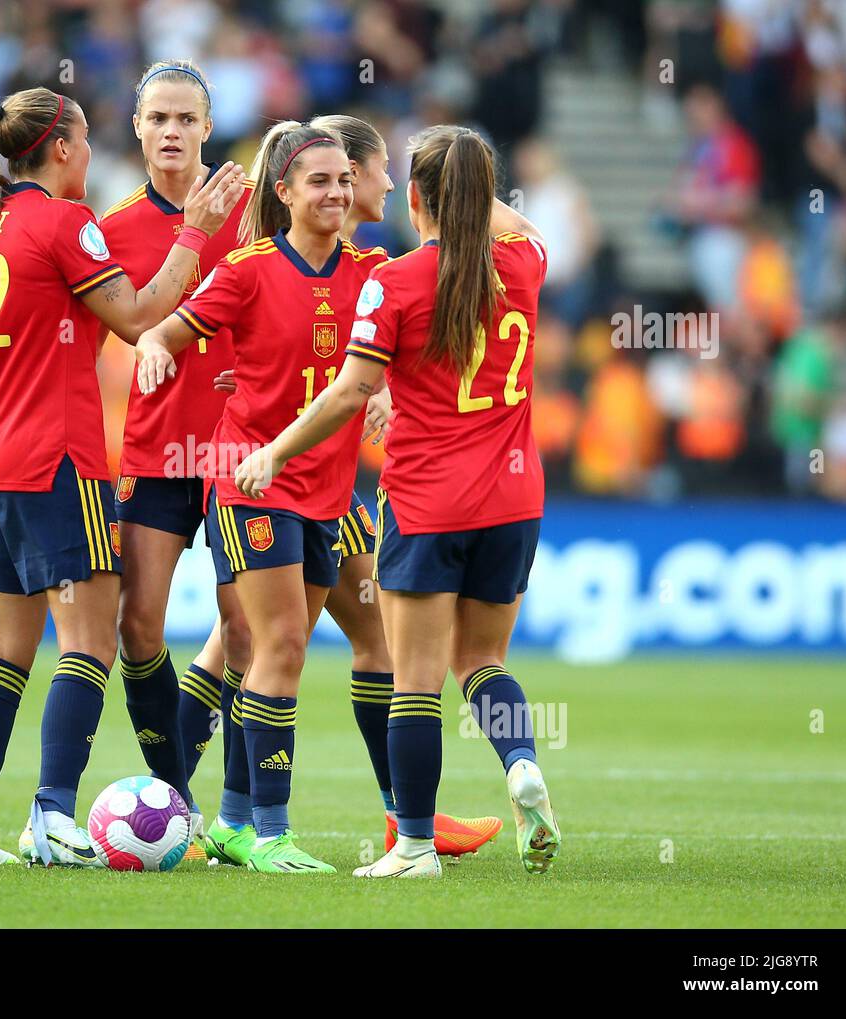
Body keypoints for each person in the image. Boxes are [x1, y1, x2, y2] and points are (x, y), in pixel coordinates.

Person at [0, 86, 244, 867]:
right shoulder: (67, 224)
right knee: (92, 640)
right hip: (59, 464)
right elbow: (139, 316)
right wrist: (195, 233)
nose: (95, 153)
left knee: (6, 648)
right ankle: (54, 814)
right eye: (91, 139)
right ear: (62, 147)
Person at [231, 124, 560, 879]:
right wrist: (475, 178)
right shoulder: (525, 263)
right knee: (482, 658)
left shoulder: (397, 280)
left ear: (415, 198)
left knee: (415, 678)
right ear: (486, 198)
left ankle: (414, 845)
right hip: (517, 498)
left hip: (429, 501)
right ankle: (519, 763)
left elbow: (351, 392)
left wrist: (275, 450)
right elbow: (523, 227)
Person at [135, 122, 387, 873]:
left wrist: (387, 395)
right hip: (250, 482)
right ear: (283, 192)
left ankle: (234, 821)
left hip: (328, 492)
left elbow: (389, 353)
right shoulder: (245, 271)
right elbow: (164, 333)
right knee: (275, 646)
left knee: (280, 652)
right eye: (320, 181)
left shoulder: (372, 272)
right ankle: (269, 830)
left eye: (345, 179)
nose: (338, 192)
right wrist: (151, 354)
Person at [97, 62, 254, 847]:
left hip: (239, 449)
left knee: (246, 627)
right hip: (157, 451)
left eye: (186, 119)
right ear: (136, 126)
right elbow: (126, 327)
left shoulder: (254, 211)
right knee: (139, 628)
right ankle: (175, 795)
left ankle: (240, 814)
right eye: (157, 117)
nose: (170, 131)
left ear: (207, 128)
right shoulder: (113, 227)